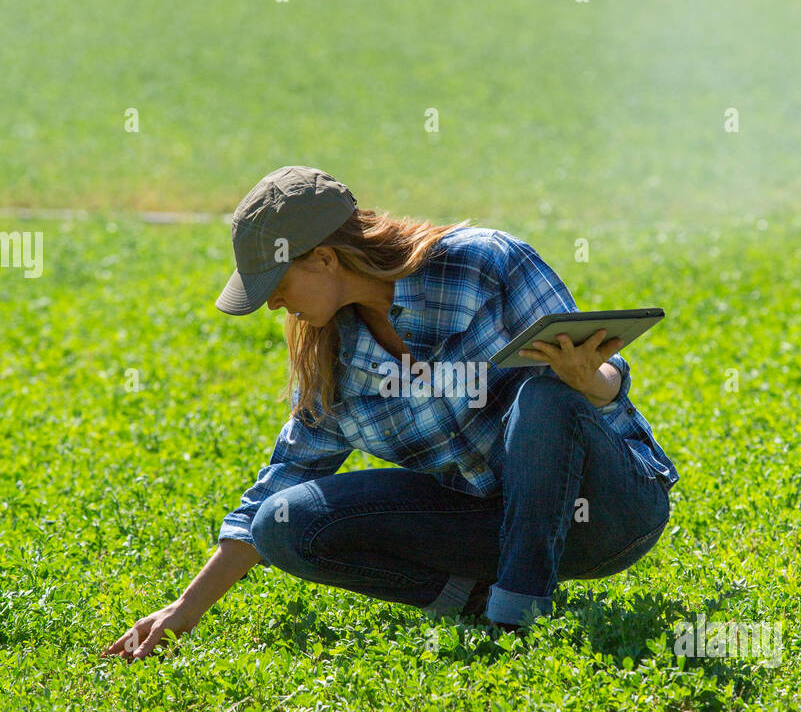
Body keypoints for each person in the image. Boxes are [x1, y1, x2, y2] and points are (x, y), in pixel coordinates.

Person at [102, 166, 678, 660]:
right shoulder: (334, 354)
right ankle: (482, 601)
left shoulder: (485, 263)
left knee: (548, 394)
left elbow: (599, 390)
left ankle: (516, 620)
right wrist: (186, 606)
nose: (272, 302)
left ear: (324, 258)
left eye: (275, 283)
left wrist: (590, 380)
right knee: (288, 522)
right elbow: (282, 481)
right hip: (493, 522)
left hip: (607, 512)